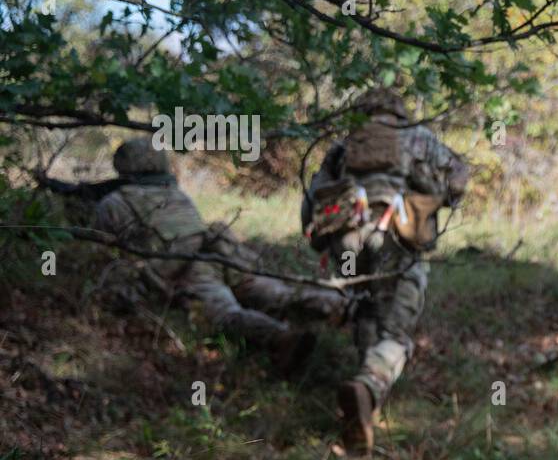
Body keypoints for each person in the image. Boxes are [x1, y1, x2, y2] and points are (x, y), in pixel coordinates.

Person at [42, 138, 340, 375]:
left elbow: (100, 249)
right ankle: (340, 306)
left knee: (225, 313)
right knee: (275, 292)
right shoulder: (176, 194)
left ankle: (282, 338)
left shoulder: (115, 202)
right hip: (220, 257)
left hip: (187, 271)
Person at [302, 88, 469, 456]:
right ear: (399, 110)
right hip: (398, 237)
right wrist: (437, 195)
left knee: (365, 310)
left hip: (349, 239)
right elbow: (458, 180)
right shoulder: (421, 138)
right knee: (396, 329)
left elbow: (313, 201)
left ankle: (362, 411)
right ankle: (369, 385)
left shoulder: (345, 145)